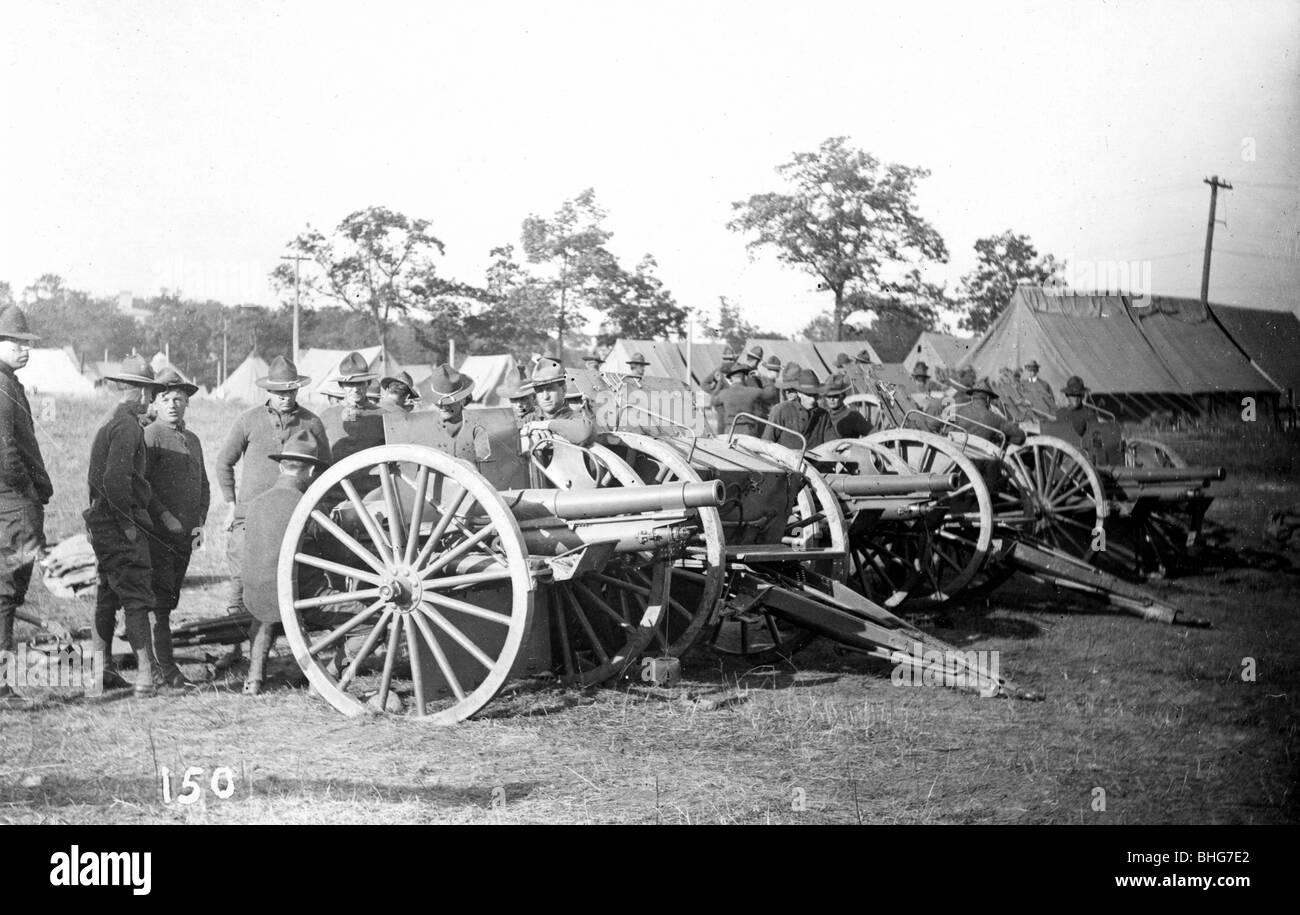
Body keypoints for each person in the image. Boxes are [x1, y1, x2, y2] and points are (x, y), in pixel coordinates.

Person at [215, 355, 330, 657]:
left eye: (290, 392)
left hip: (295, 517)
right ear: (269, 391)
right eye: (279, 392)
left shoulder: (311, 423)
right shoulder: (248, 421)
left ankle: (294, 646)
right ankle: (235, 650)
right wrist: (230, 504)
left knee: (297, 582)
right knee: (242, 582)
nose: (285, 398)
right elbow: (224, 462)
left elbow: (326, 470)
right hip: (249, 518)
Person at [85, 354, 163, 696]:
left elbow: (96, 480)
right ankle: (147, 676)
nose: (151, 399)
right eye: (149, 391)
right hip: (118, 523)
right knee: (135, 598)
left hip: (103, 521)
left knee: (107, 595)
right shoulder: (128, 425)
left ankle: (101, 672)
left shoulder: (112, 419)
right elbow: (115, 481)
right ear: (141, 392)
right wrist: (128, 525)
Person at [240, 429, 337, 695]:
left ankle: (254, 678)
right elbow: (334, 555)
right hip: (299, 595)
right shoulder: (308, 505)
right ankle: (327, 677)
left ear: (282, 466)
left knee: (268, 608)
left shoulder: (256, 503)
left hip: (258, 595)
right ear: (310, 473)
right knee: (369, 621)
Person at [0, 305, 54, 702]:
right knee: (6, 591)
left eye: (27, 343)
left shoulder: (10, 384)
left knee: (9, 592)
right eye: (16, 342)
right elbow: (6, 453)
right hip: (13, 504)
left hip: (15, 503)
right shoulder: (2, 388)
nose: (25, 350)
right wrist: (31, 491)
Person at [142, 367, 208, 688]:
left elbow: (203, 485)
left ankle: (160, 665)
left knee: (169, 598)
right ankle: (166, 670)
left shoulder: (192, 440)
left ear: (187, 403)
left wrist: (200, 522)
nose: (173, 405)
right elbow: (142, 486)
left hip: (186, 535)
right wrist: (164, 515)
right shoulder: (151, 436)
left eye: (179, 399)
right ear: (155, 403)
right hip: (158, 535)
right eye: (166, 399)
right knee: (160, 604)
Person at [319, 352, 386, 464]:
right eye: (350, 384)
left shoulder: (383, 415)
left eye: (360, 384)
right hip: (337, 478)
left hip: (373, 479)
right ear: (341, 385)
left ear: (368, 383)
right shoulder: (327, 416)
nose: (355, 389)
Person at [423, 364, 492, 464]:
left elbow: (484, 459)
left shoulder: (476, 427)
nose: (443, 407)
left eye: (449, 403)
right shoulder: (428, 426)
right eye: (438, 403)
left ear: (462, 400)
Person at [521, 358, 596, 446]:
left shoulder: (575, 417)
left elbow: (584, 432)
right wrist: (528, 434)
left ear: (563, 389)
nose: (545, 397)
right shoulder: (530, 418)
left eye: (550, 389)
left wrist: (543, 425)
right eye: (540, 391)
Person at [763, 368, 834, 450]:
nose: (813, 399)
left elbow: (831, 444)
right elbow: (767, 442)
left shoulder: (824, 416)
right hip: (782, 460)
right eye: (809, 395)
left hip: (812, 461)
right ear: (799, 393)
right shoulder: (781, 410)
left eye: (815, 395)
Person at [952, 378, 1026, 446]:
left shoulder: (960, 411)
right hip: (980, 457)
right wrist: (1004, 437)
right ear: (987, 399)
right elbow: (1021, 436)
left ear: (972, 397)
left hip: (957, 447)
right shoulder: (995, 419)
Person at [711, 362, 766, 436]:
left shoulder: (724, 393)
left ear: (732, 378)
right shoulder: (753, 391)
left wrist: (719, 382)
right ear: (745, 377)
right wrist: (762, 377)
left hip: (730, 431)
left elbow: (713, 401)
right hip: (749, 432)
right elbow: (771, 393)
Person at [824, 373, 872, 438]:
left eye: (835, 396)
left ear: (842, 396)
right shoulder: (823, 416)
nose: (832, 399)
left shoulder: (852, 416)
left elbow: (873, 434)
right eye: (829, 396)